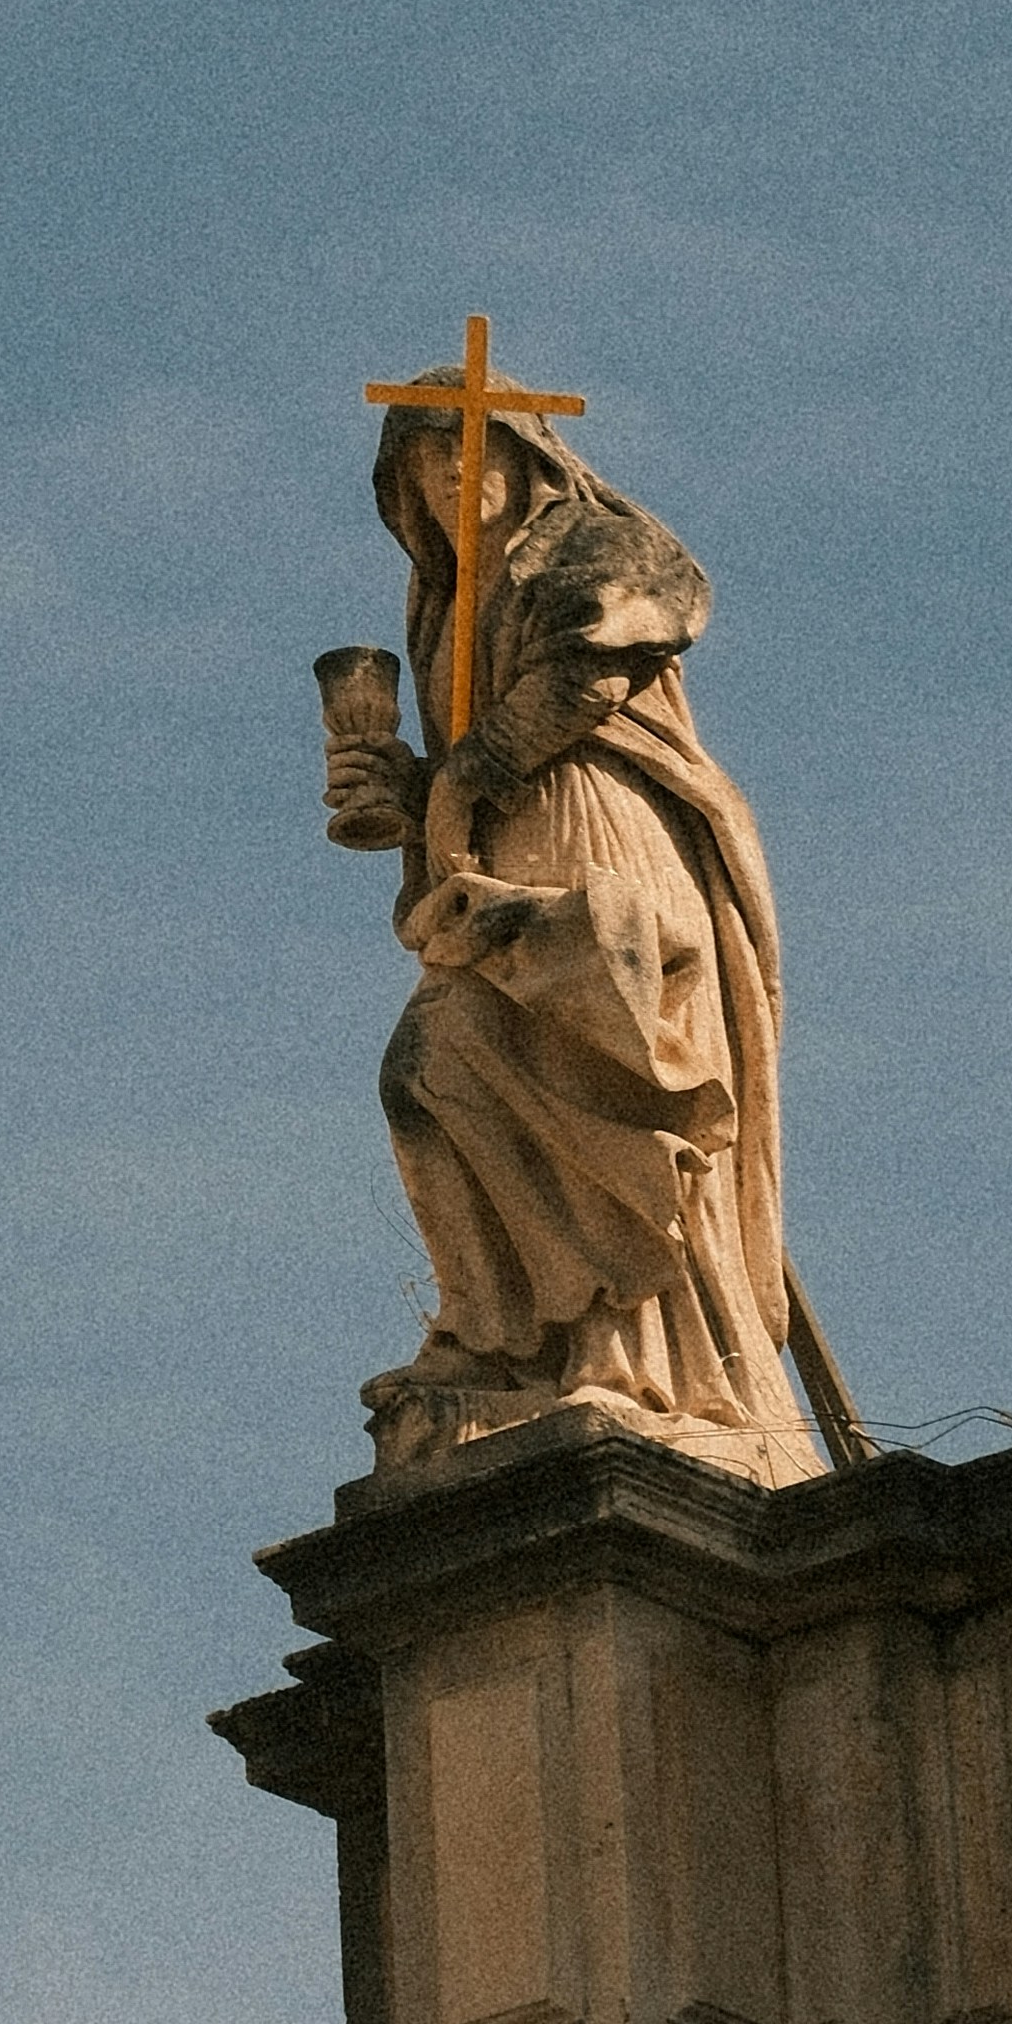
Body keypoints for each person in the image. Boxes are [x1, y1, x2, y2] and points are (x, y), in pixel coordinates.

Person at [321, 406, 817, 1486]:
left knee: (609, 1075)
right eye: (420, 472)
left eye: (461, 451)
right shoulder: (445, 613)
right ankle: (503, 1339)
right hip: (501, 853)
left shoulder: (595, 544)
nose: (447, 480)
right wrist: (410, 795)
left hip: (602, 836)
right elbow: (460, 777)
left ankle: (626, 1353)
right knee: (431, 1070)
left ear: (521, 455)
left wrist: (461, 772)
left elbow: (603, 654)